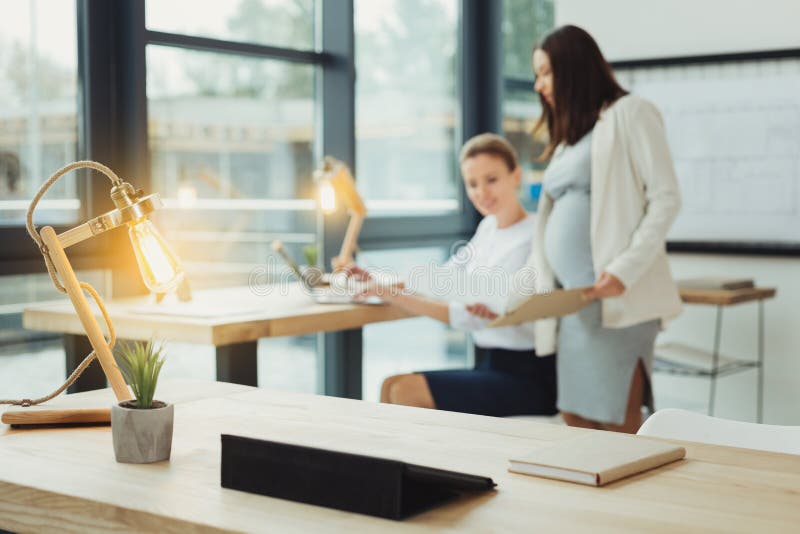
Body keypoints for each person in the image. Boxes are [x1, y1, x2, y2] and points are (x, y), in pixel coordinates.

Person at [500, 25, 681, 433]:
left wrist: (622, 271)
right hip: (574, 309)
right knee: (577, 422)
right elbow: (550, 230)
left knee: (618, 425)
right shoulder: (569, 142)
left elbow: (666, 199)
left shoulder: (630, 113)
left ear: (574, 68)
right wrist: (511, 302)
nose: (538, 84)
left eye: (546, 72)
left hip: (616, 306)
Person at [351, 134, 557, 417]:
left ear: (516, 176)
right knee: (390, 385)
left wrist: (391, 294)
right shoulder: (488, 229)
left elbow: (471, 314)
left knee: (403, 390)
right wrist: (379, 283)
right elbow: (444, 277)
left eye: (491, 179)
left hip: (530, 374)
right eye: (472, 184)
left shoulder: (535, 235)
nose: (481, 192)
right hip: (492, 365)